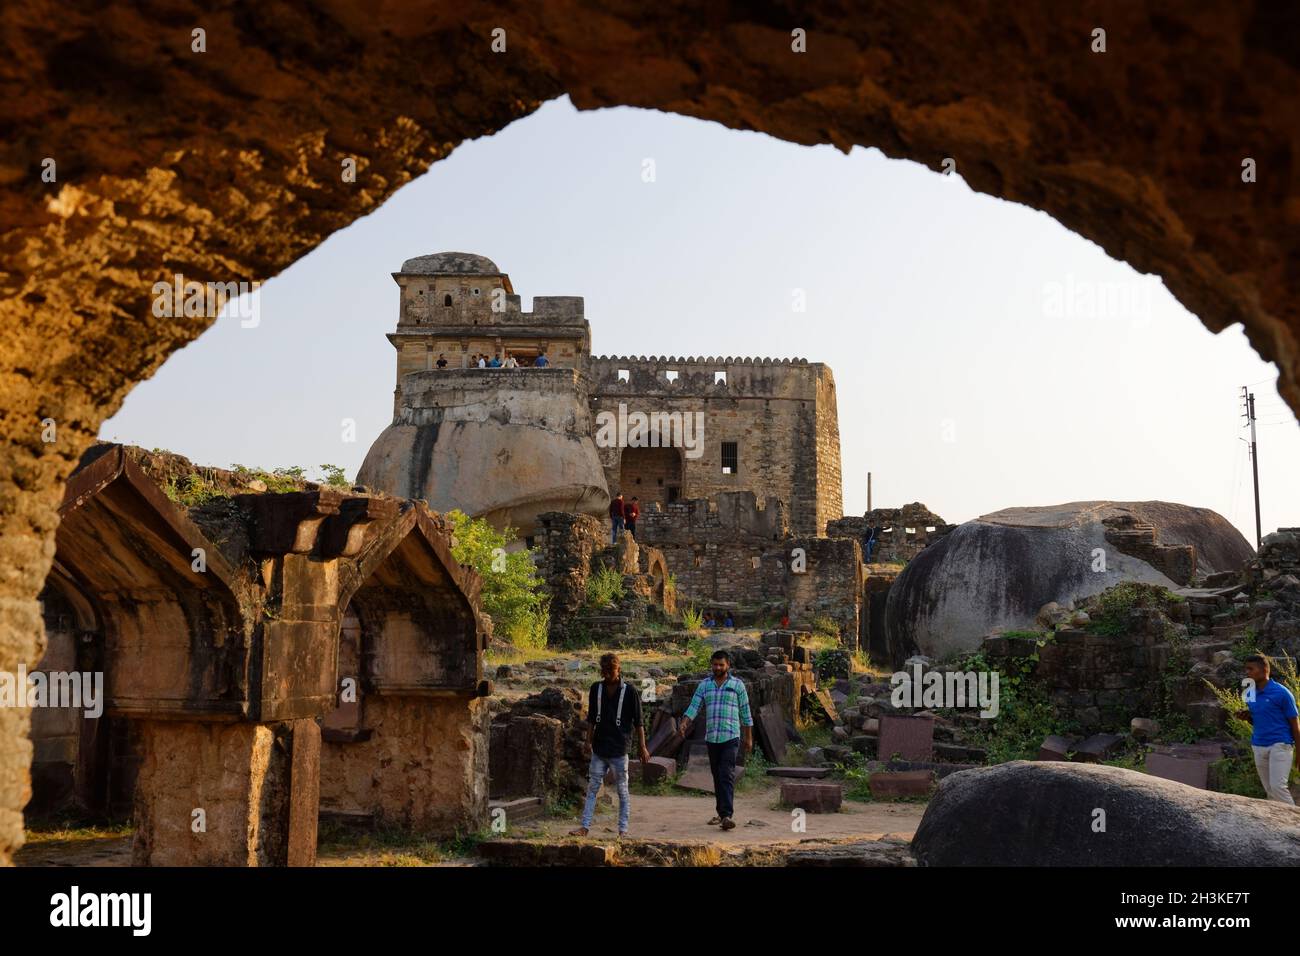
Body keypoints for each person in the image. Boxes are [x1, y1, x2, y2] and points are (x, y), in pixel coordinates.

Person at [570, 653, 649, 837]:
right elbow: (591, 720)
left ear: (618, 669)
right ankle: (585, 827)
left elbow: (639, 722)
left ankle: (623, 830)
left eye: (610, 671)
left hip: (619, 749)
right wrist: (588, 741)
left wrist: (642, 747)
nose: (607, 675)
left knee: (622, 791)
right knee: (592, 789)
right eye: (604, 671)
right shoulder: (596, 689)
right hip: (599, 747)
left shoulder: (629, 692)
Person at [676, 651, 753, 830]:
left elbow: (746, 712)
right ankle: (721, 813)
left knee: (726, 773)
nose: (718, 668)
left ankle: (727, 815)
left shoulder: (737, 685)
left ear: (728, 666)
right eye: (715, 665)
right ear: (711, 665)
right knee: (718, 776)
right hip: (712, 738)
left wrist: (748, 738)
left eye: (721, 665)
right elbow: (695, 705)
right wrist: (685, 722)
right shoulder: (705, 685)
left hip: (731, 737)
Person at [1238, 654, 1300, 804]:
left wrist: (1299, 753)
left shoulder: (1282, 693)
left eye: (1251, 669)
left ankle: (1295, 822)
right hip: (1258, 745)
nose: (1247, 673)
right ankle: (1279, 825)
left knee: (1278, 787)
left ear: (1264, 669)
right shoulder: (1250, 693)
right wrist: (1247, 717)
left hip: (1280, 744)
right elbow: (1260, 720)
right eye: (1246, 669)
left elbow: (1295, 724)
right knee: (1270, 791)